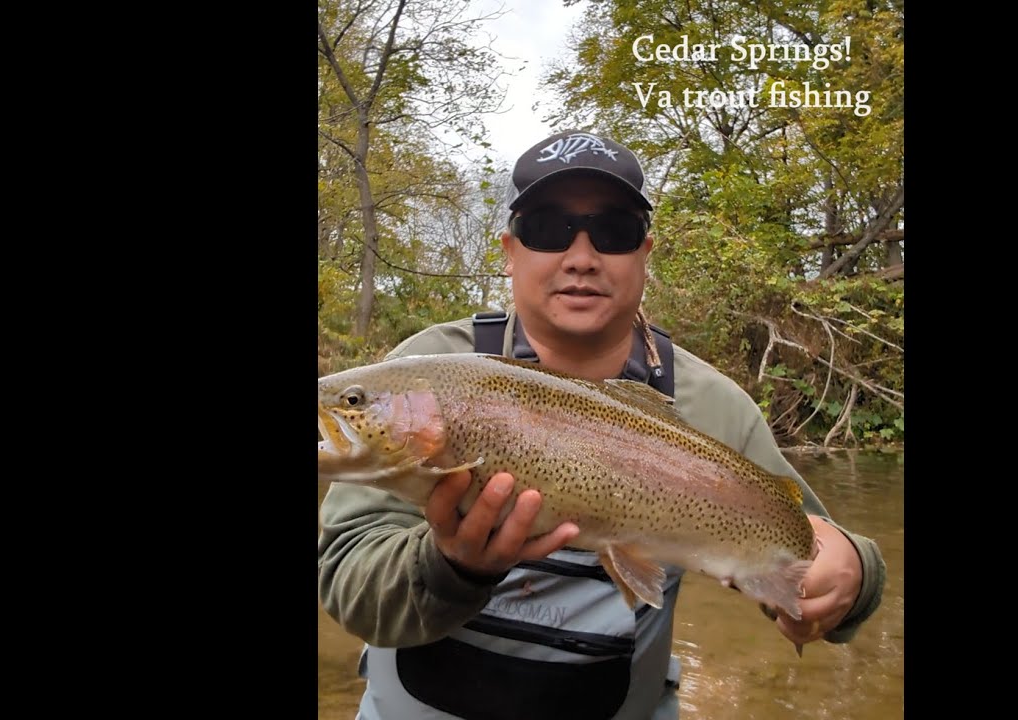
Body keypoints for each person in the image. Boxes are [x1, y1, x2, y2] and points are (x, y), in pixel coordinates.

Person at [317, 129, 886, 720]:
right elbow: (350, 589)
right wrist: (453, 566)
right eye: (547, 229)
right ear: (510, 251)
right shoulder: (430, 364)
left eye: (614, 231)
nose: (581, 258)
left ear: (644, 253)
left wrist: (852, 572)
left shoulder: (712, 407)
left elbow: (812, 544)